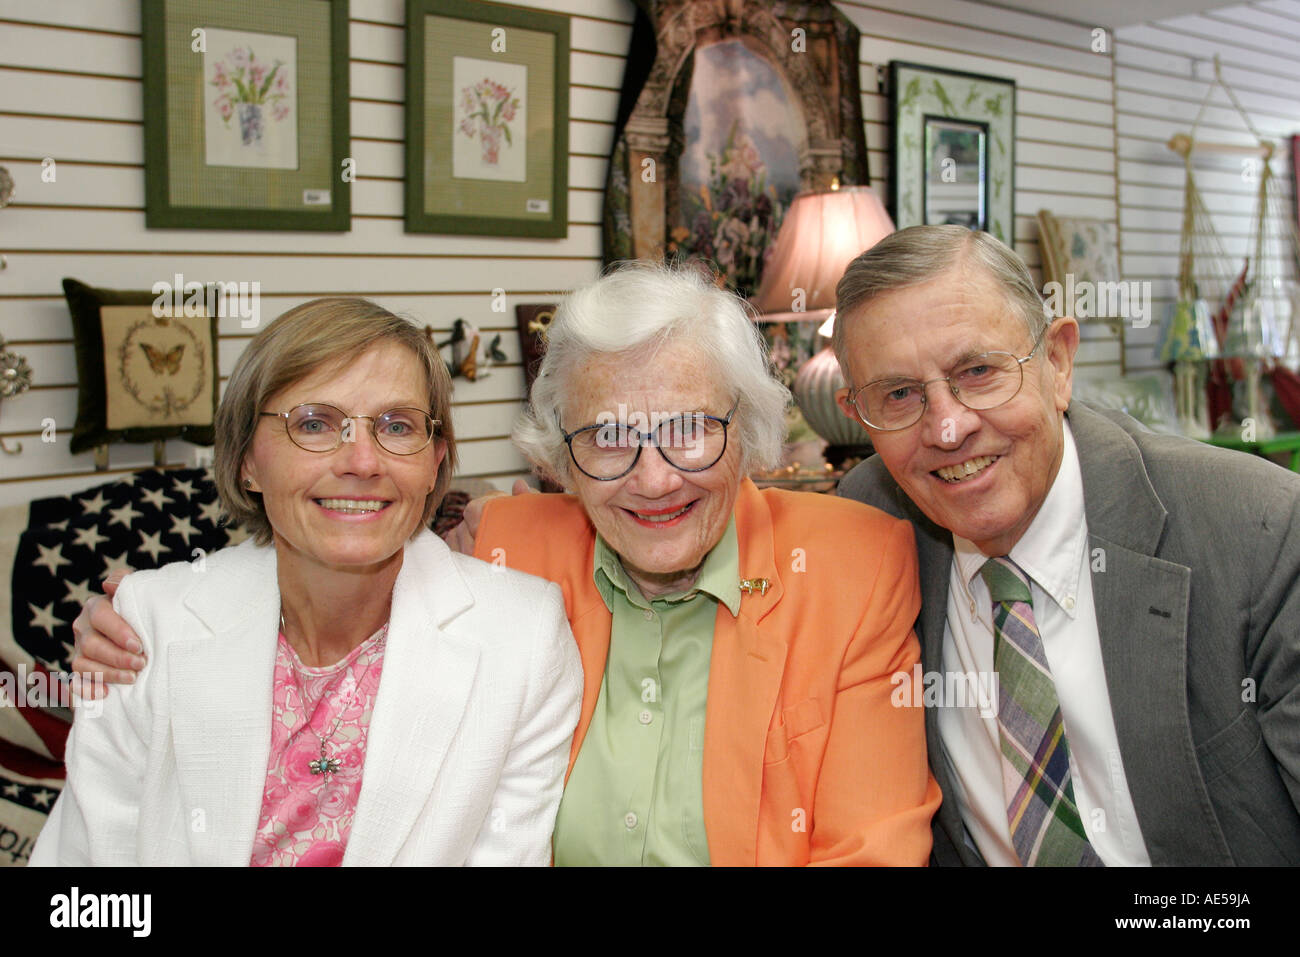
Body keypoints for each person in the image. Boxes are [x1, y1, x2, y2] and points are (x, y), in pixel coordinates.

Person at [74, 265, 940, 866]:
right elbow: (338, 525)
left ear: (746, 431)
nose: (652, 477)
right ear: (556, 460)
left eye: (687, 428)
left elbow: (875, 849)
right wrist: (162, 607)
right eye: (606, 436)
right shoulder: (508, 552)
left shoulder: (853, 561)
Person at [35, 297, 581, 866]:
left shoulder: (522, 637)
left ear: (434, 462)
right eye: (315, 424)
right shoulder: (146, 626)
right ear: (247, 459)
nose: (362, 462)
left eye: (397, 426)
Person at [831, 224, 1300, 866]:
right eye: (900, 395)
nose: (946, 427)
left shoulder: (1260, 531)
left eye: (978, 371)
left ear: (1058, 361)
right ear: (858, 415)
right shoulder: (864, 532)